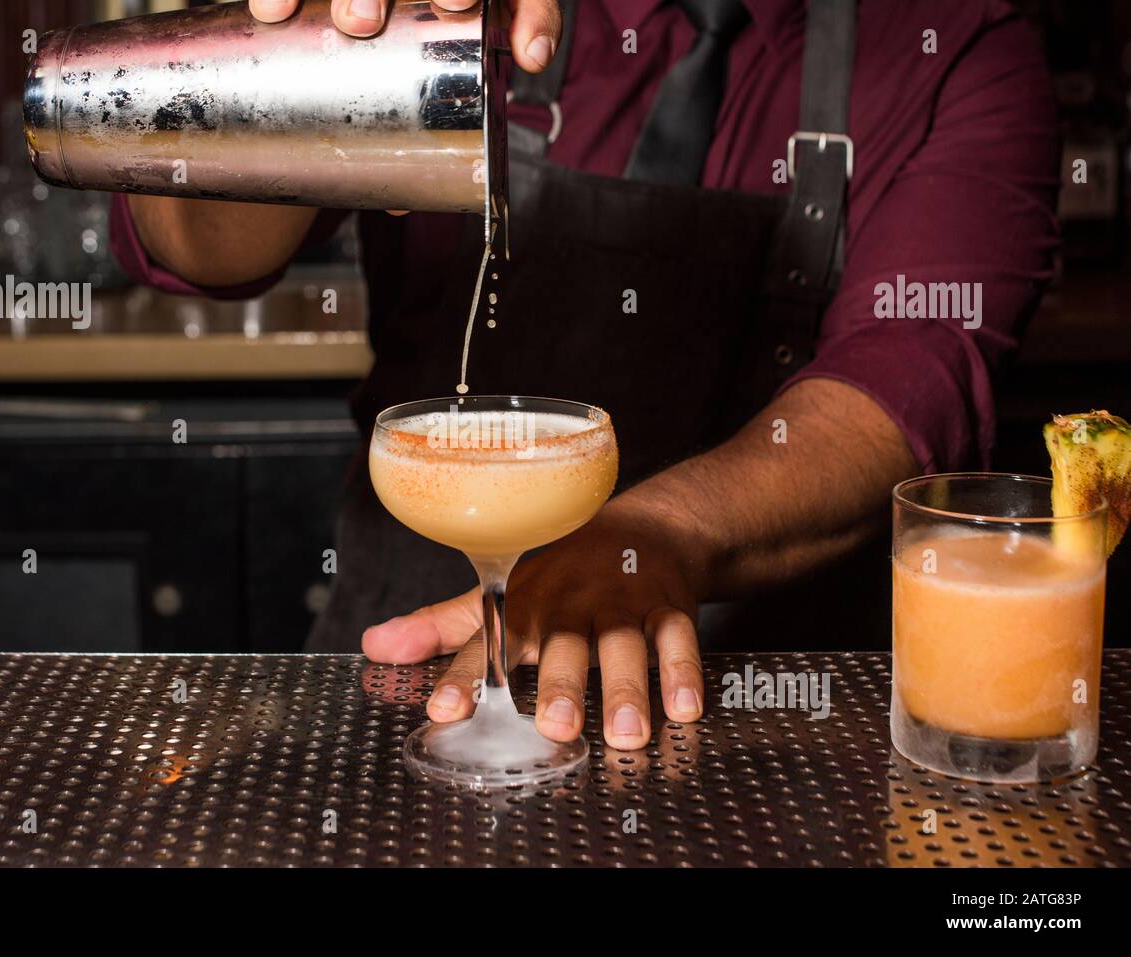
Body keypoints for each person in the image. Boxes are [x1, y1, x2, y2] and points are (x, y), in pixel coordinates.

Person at [111, 0, 1060, 751]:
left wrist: (658, 532)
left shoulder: (960, 45)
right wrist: (308, 46)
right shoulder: (447, 10)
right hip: (406, 675)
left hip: (744, 722)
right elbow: (195, 246)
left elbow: (900, 395)